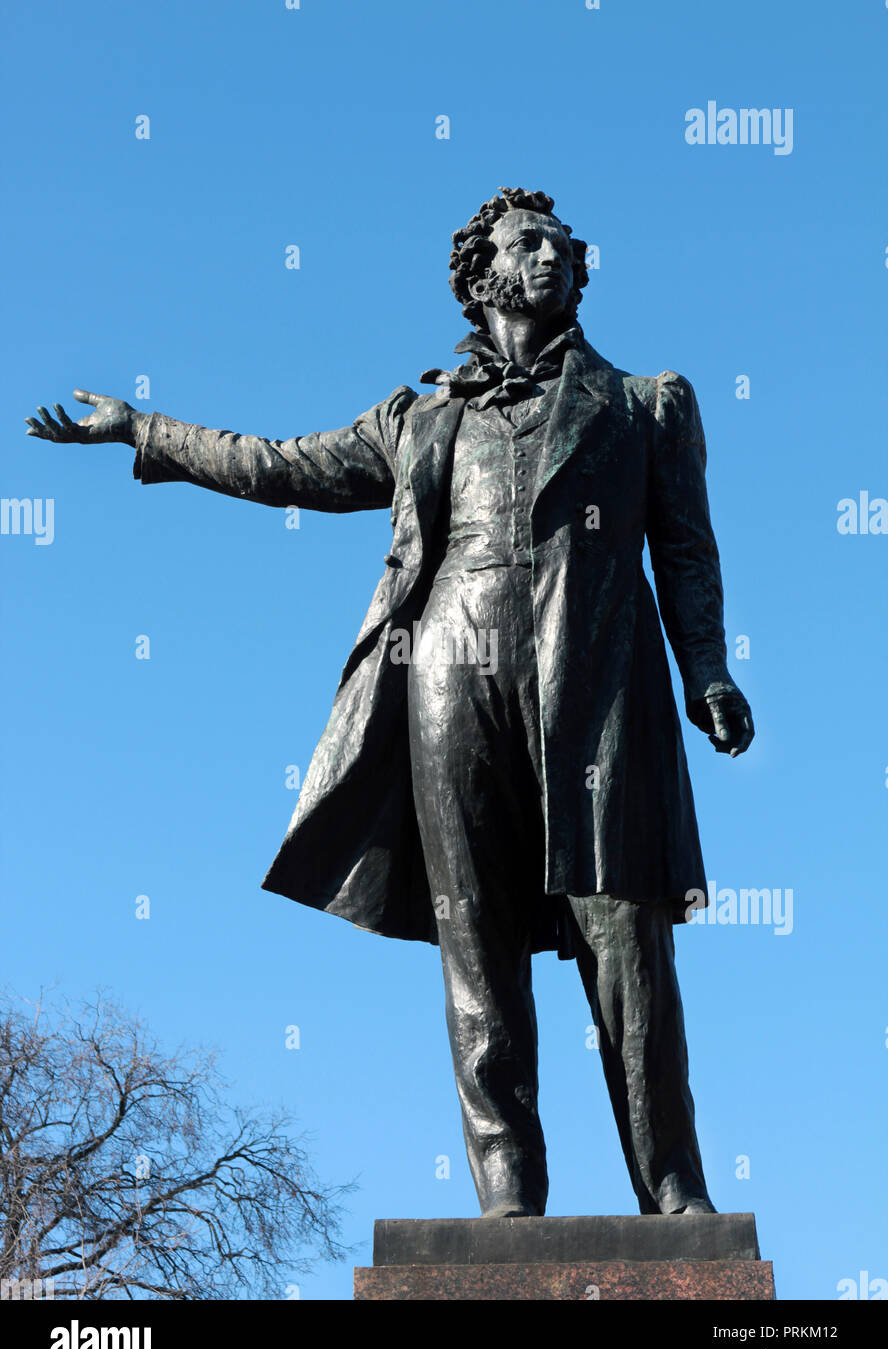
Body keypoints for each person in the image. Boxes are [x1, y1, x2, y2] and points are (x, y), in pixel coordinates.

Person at [27, 187, 754, 1218]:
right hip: (451, 684)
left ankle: (675, 1191)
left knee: (627, 941)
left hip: (598, 695)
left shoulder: (645, 404)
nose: (553, 254)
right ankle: (509, 1200)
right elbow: (283, 466)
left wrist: (709, 673)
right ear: (482, 272)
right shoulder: (418, 418)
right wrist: (145, 429)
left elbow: (685, 548)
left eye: (562, 243)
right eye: (528, 242)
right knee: (476, 942)